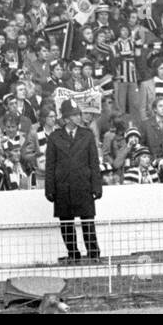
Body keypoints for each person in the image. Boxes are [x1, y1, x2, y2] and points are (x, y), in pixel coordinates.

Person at [45, 99, 102, 263]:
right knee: (66, 223)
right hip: (63, 186)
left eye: (78, 114)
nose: (78, 117)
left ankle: (93, 254)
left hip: (83, 185)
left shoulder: (87, 134)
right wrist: (50, 189)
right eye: (74, 115)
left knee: (88, 221)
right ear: (66, 118)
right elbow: (50, 165)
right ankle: (73, 254)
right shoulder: (55, 137)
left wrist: (96, 186)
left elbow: (94, 163)